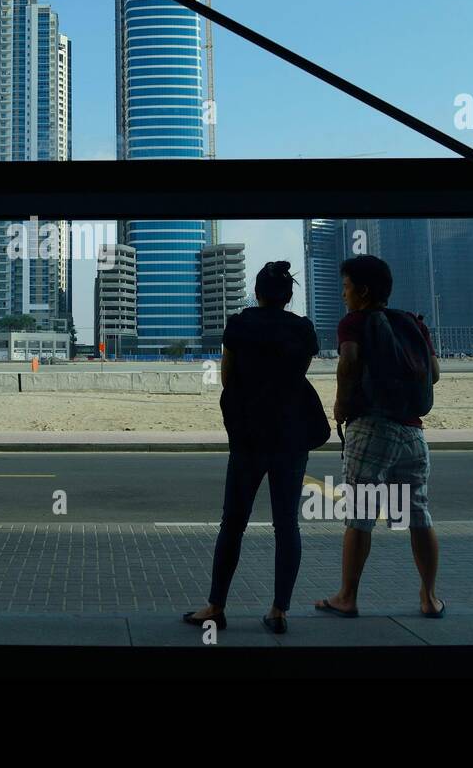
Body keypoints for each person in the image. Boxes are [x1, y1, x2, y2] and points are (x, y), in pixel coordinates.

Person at [183, 261, 330, 634]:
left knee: (233, 523)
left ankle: (216, 606)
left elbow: (227, 376)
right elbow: (298, 375)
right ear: (289, 296)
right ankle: (279, 611)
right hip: (292, 434)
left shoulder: (240, 324)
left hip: (249, 436)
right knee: (287, 525)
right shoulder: (302, 328)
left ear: (258, 292)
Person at [315, 254, 445, 620]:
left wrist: (341, 403)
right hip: (413, 432)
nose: (343, 295)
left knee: (359, 516)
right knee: (418, 512)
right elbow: (433, 374)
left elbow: (350, 361)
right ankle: (429, 597)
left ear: (364, 291)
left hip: (371, 427)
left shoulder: (354, 322)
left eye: (345, 287)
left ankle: (347, 597)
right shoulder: (412, 324)